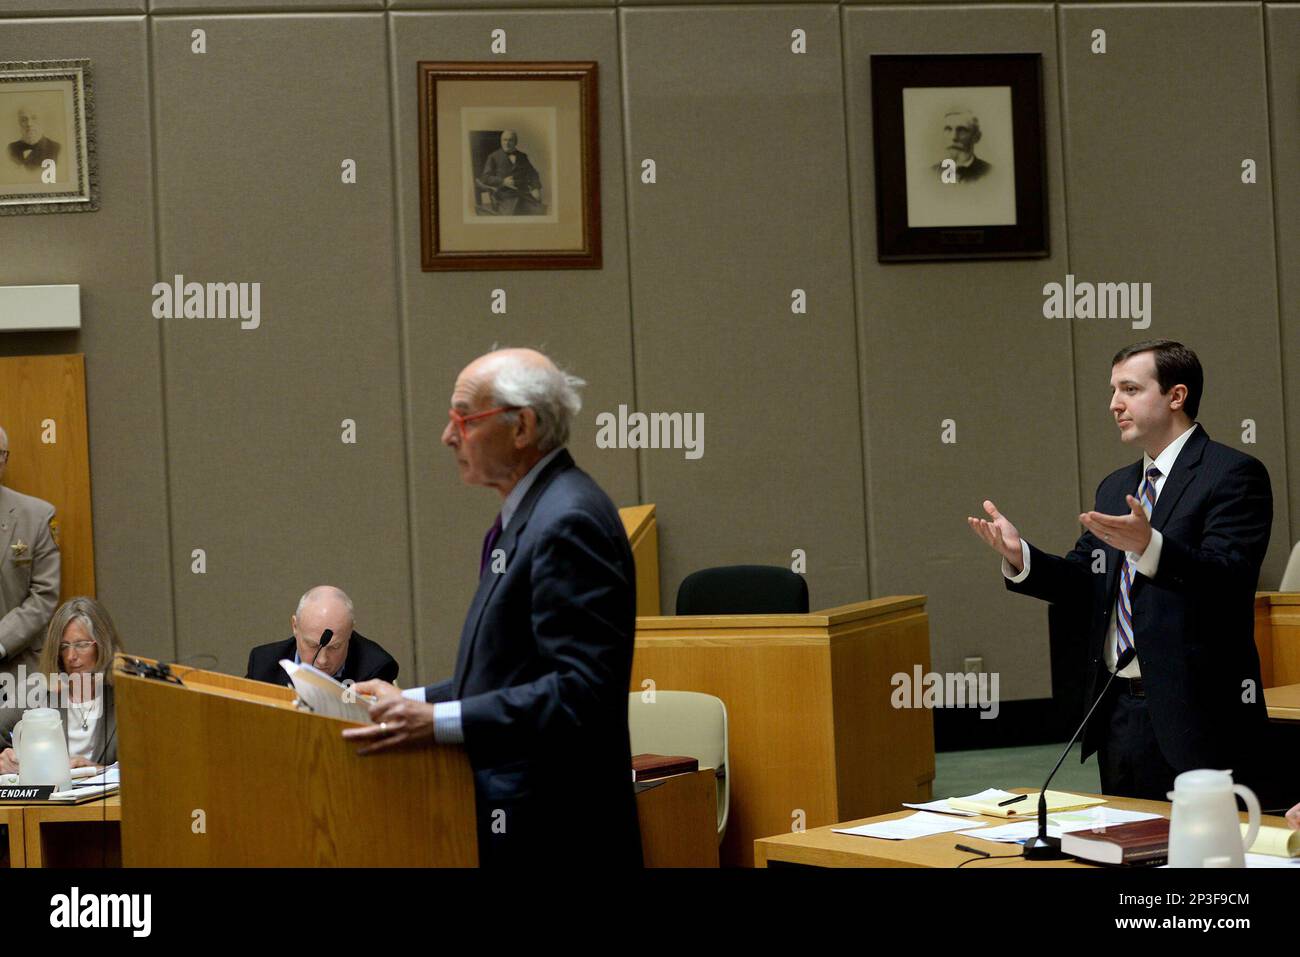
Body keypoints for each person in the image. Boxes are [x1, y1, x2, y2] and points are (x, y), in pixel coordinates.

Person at [343, 348, 642, 867]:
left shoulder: (568, 520)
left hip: (561, 834)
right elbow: (513, 670)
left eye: (464, 417)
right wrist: (402, 700)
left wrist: (436, 721)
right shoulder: (531, 511)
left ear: (522, 426)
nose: (448, 435)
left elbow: (581, 694)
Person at [968, 340, 1272, 800]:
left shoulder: (1232, 473)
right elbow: (1085, 582)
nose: (1114, 404)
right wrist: (1020, 556)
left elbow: (1228, 578)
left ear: (1176, 396)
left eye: (1130, 389)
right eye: (1113, 390)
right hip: (1119, 715)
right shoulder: (1117, 487)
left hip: (1199, 716)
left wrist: (1151, 548)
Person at [0, 597, 121, 773]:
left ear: (102, 645)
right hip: (48, 799)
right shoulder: (37, 691)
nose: (71, 655)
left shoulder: (127, 696)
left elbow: (149, 765)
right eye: (64, 646)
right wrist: (3, 761)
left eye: (81, 644)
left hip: (107, 800)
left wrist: (98, 770)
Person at [0, 426, 61, 708]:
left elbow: (44, 595)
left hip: (20, 668)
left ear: (5, 459)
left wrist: (2, 641)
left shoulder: (36, 516)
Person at [245, 585, 397, 687]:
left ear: (351, 631)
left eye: (335, 647)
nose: (322, 660)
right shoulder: (263, 663)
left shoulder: (376, 668)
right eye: (312, 645)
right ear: (295, 626)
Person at [478, 130, 543, 215]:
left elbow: (533, 174)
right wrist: (502, 181)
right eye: (504, 140)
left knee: (539, 212)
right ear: (501, 141)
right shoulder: (493, 157)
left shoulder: (522, 156)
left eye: (510, 140)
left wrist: (535, 188)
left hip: (524, 194)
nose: (507, 143)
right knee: (512, 217)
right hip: (505, 197)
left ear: (515, 142)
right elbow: (485, 177)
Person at [931, 109, 990, 183]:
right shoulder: (930, 175)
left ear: (977, 137)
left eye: (962, 130)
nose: (953, 137)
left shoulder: (989, 174)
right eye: (948, 129)